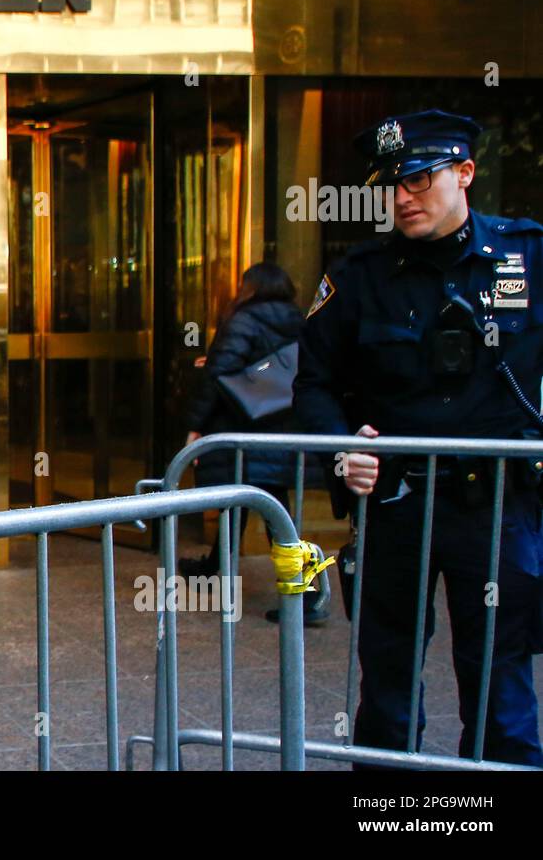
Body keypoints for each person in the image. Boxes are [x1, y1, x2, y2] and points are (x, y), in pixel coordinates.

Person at [295, 109, 543, 766]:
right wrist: (344, 445)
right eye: (391, 184)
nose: (402, 198)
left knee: (501, 687)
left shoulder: (528, 256)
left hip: (496, 508)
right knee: (389, 689)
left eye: (419, 179)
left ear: (465, 172)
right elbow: (312, 382)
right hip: (398, 503)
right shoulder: (359, 276)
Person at [178, 263, 328, 621]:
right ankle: (220, 567)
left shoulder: (243, 319)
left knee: (252, 508)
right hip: (282, 430)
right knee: (272, 509)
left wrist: (196, 426)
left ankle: (303, 596)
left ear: (250, 287)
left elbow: (220, 375)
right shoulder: (299, 319)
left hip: (245, 429)